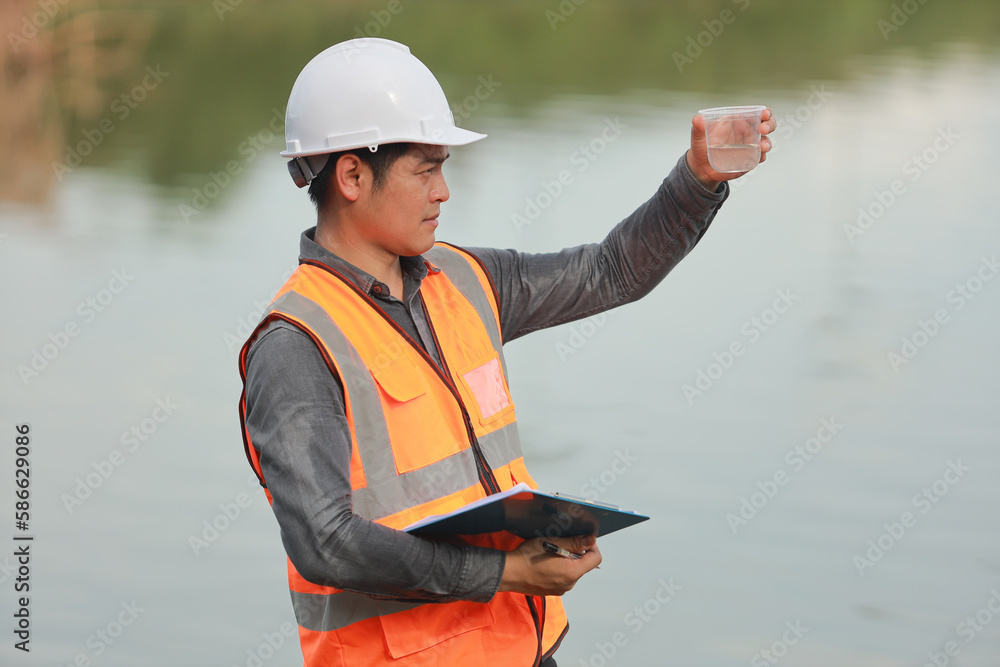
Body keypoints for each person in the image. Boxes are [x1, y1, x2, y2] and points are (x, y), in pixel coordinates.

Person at [238, 37, 775, 666]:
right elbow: (326, 544)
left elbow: (611, 272)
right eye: (425, 169)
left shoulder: (466, 280)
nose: (443, 192)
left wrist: (699, 180)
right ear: (352, 175)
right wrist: (505, 573)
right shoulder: (297, 345)